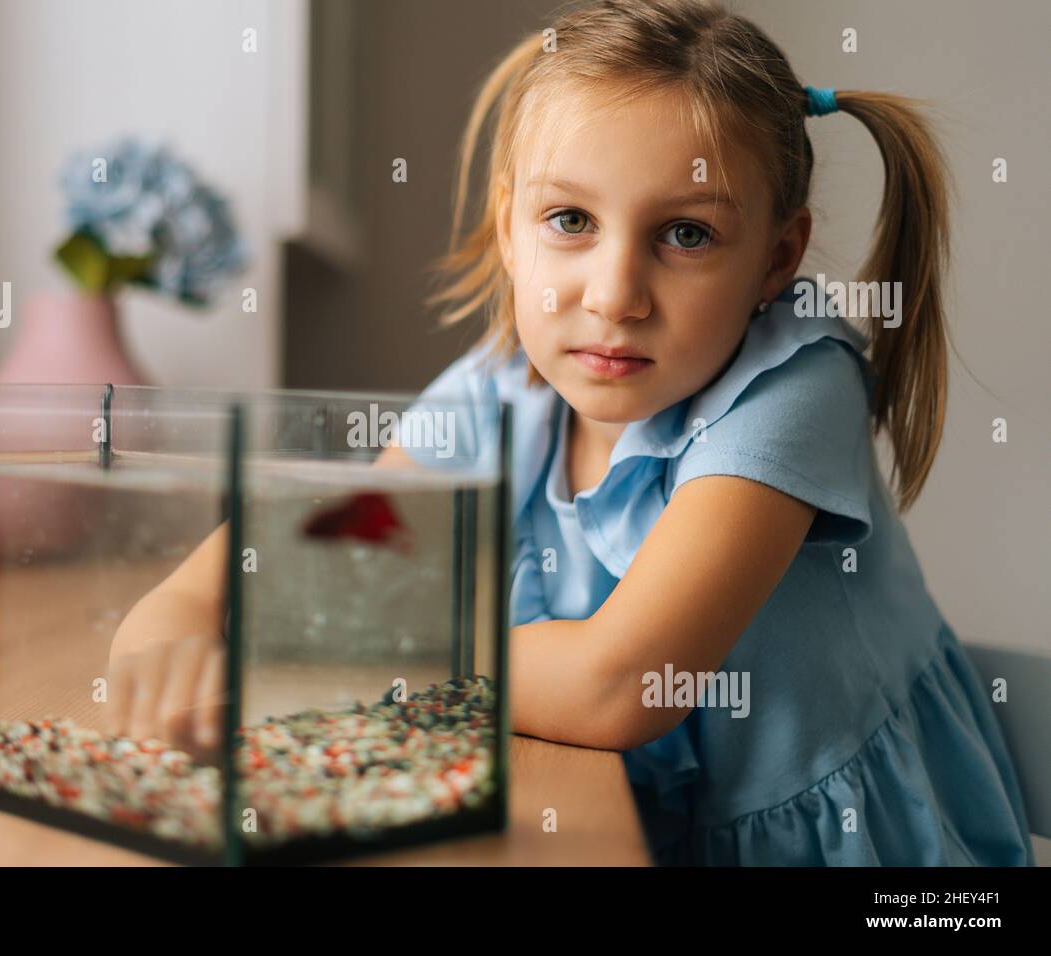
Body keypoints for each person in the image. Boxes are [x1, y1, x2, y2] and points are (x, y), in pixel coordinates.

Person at [107, 0, 1034, 865]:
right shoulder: (498, 389)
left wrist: (361, 653)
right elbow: (301, 552)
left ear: (775, 260)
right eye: (570, 220)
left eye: (686, 235)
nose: (615, 295)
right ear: (511, 229)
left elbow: (619, 685)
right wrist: (175, 626)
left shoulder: (794, 391)